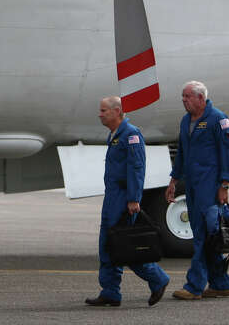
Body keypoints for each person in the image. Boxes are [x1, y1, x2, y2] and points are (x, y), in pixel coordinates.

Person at [85, 96, 169, 307]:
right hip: (112, 197)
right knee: (107, 245)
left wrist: (133, 199)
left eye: (104, 110)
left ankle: (158, 279)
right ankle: (111, 291)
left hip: (124, 199)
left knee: (125, 247)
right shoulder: (114, 135)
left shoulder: (131, 135)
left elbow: (137, 168)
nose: (100, 114)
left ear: (117, 111)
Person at [166, 80, 229, 300]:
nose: (184, 100)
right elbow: (182, 154)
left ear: (200, 98)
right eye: (182, 96)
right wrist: (173, 181)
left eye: (187, 96)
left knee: (203, 236)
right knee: (204, 235)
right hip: (193, 186)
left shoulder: (218, 120)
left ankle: (194, 286)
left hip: (210, 186)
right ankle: (221, 284)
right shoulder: (186, 121)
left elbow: (228, 154)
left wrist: (224, 185)